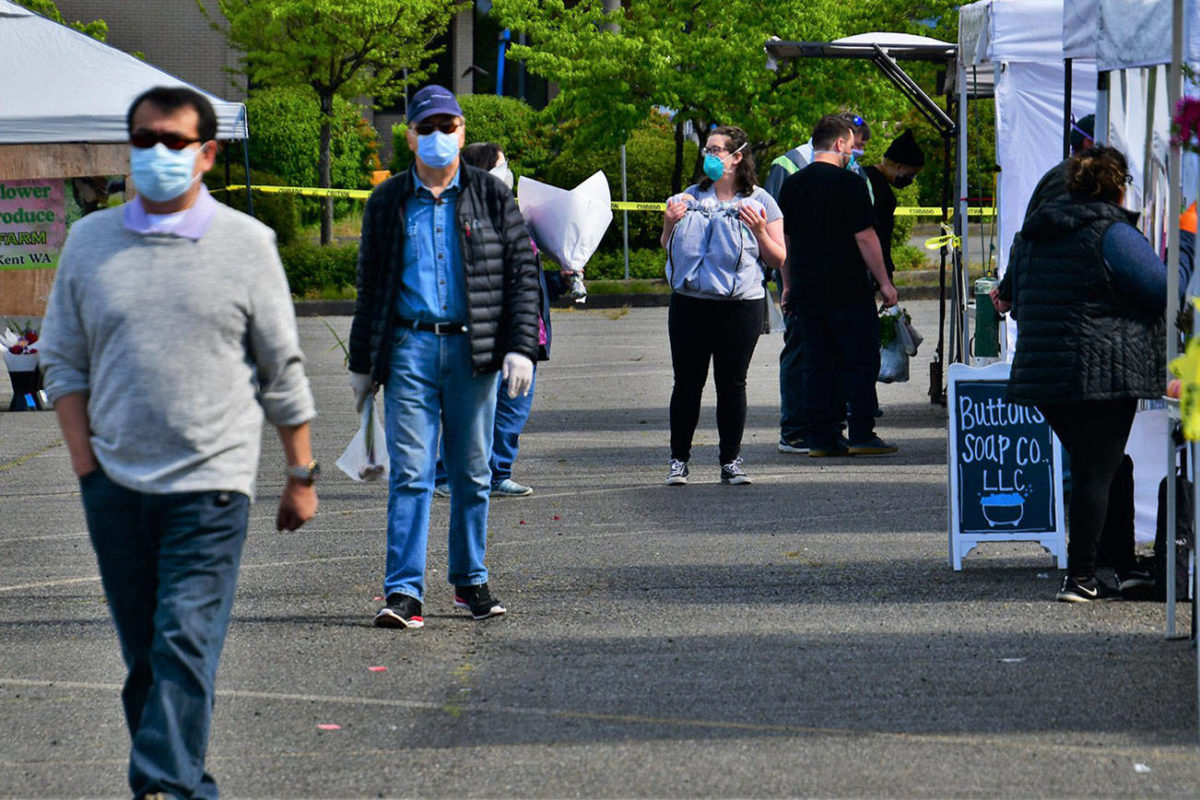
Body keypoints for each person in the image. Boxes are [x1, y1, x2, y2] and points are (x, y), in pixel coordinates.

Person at [38, 86, 318, 799]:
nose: (157, 154)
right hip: (115, 483)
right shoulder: (89, 242)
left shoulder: (245, 245)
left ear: (206, 154)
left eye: (173, 141)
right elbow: (62, 360)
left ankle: (160, 786)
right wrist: (84, 463)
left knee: (184, 642)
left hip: (210, 485)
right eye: (144, 140)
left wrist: (301, 472)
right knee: (146, 657)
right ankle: (187, 786)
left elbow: (280, 366)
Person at [348, 86, 541, 629]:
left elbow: (521, 276)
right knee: (410, 473)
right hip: (409, 347)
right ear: (409, 135)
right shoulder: (387, 201)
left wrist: (521, 346)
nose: (437, 137)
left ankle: (470, 580)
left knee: (472, 472)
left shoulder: (490, 195)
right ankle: (403, 592)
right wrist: (363, 364)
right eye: (426, 128)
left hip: (472, 350)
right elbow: (371, 286)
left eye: (447, 126)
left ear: (462, 129)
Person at [1005, 146, 1195, 602]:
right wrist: (1185, 241)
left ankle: (1123, 566)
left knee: (1110, 465)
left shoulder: (1033, 233)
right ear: (1116, 186)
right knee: (1097, 468)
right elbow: (1163, 290)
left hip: (1047, 372)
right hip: (1103, 367)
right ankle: (1082, 576)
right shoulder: (1109, 231)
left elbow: (1013, 293)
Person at [659, 124, 786, 485]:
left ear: (737, 157)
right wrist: (668, 226)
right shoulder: (688, 197)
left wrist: (760, 232)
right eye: (707, 150)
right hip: (690, 303)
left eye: (717, 150)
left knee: (733, 384)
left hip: (740, 305)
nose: (710, 157)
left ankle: (730, 460)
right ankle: (678, 461)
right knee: (687, 384)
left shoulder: (761, 201)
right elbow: (667, 246)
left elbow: (779, 258)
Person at [434, 141, 553, 498]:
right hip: (488, 332)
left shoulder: (515, 215)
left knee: (512, 411)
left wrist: (562, 277)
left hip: (528, 332)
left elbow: (526, 275)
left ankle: (498, 472)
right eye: (501, 166)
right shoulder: (464, 217)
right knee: (472, 411)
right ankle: (446, 475)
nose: (508, 172)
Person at [777, 114, 899, 458]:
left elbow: (785, 240)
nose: (852, 151)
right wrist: (885, 283)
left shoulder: (793, 183)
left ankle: (822, 436)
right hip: (847, 288)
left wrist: (787, 286)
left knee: (817, 362)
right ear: (840, 143)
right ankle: (861, 431)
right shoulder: (851, 184)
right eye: (851, 143)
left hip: (807, 288)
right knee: (859, 358)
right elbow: (865, 237)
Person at [863, 130, 926, 281]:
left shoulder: (861, 175)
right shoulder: (883, 193)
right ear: (899, 167)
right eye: (911, 175)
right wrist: (885, 276)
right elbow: (881, 236)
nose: (910, 180)